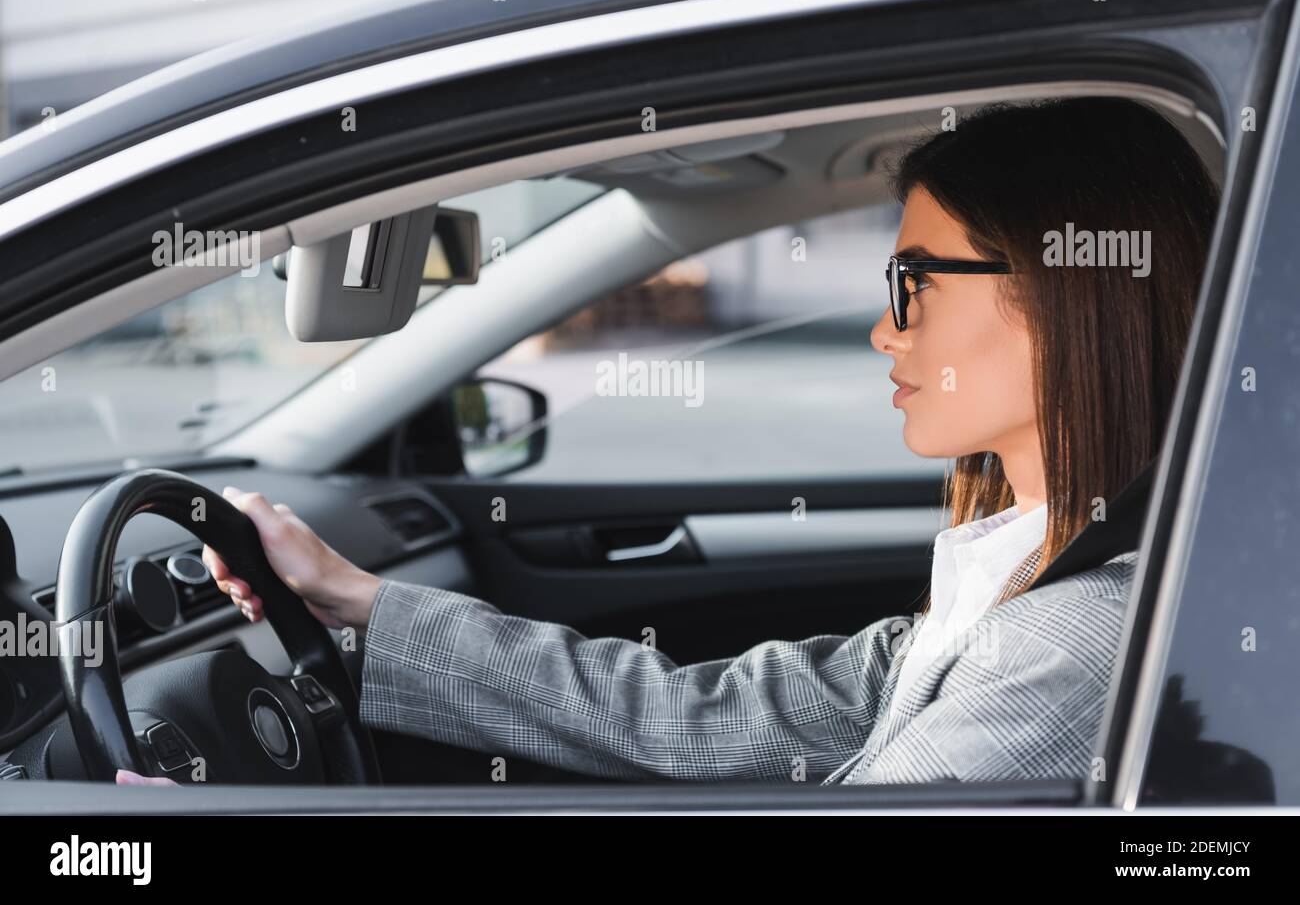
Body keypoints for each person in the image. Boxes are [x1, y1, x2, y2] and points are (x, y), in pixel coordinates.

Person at [117, 96, 1218, 787]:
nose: (885, 326)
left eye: (912, 282)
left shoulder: (1074, 643)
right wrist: (361, 600)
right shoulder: (1018, 582)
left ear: (1067, 293)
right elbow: (707, 714)